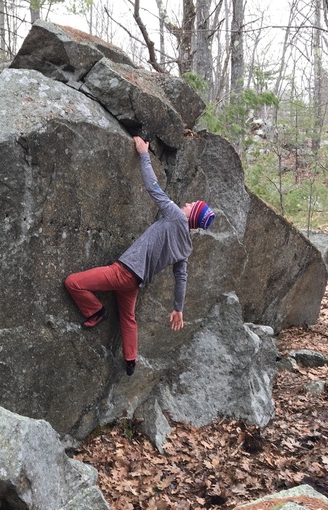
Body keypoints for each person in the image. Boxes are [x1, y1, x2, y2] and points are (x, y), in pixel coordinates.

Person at [64, 136, 215, 376]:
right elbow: (181, 277)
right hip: (135, 282)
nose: (186, 202)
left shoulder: (176, 216)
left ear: (192, 214)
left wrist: (144, 155)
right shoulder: (186, 246)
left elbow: (153, 188)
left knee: (73, 282)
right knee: (128, 318)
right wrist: (178, 308)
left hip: (123, 272)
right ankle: (131, 361)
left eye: (191, 204)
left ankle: (95, 310)